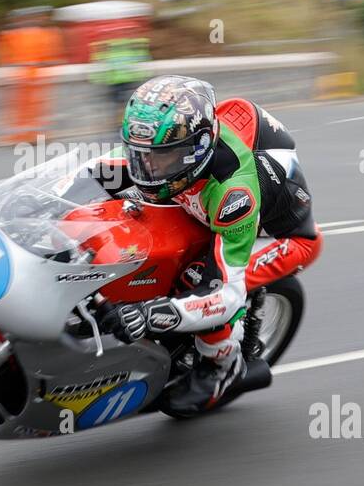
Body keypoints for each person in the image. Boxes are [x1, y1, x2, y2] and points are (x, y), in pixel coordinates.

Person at [95, 75, 323, 416]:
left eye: (162, 158)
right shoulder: (170, 148)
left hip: (287, 240)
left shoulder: (235, 195)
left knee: (201, 285)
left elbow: (223, 297)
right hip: (208, 206)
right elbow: (95, 170)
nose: (147, 168)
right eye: (140, 155)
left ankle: (223, 369)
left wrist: (151, 315)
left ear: (196, 150)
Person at [0, 6, 63, 144]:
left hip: (32, 74)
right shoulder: (13, 35)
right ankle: (24, 135)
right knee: (25, 108)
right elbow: (6, 56)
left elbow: (50, 55)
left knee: (36, 108)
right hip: (24, 75)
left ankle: (32, 134)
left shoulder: (43, 33)